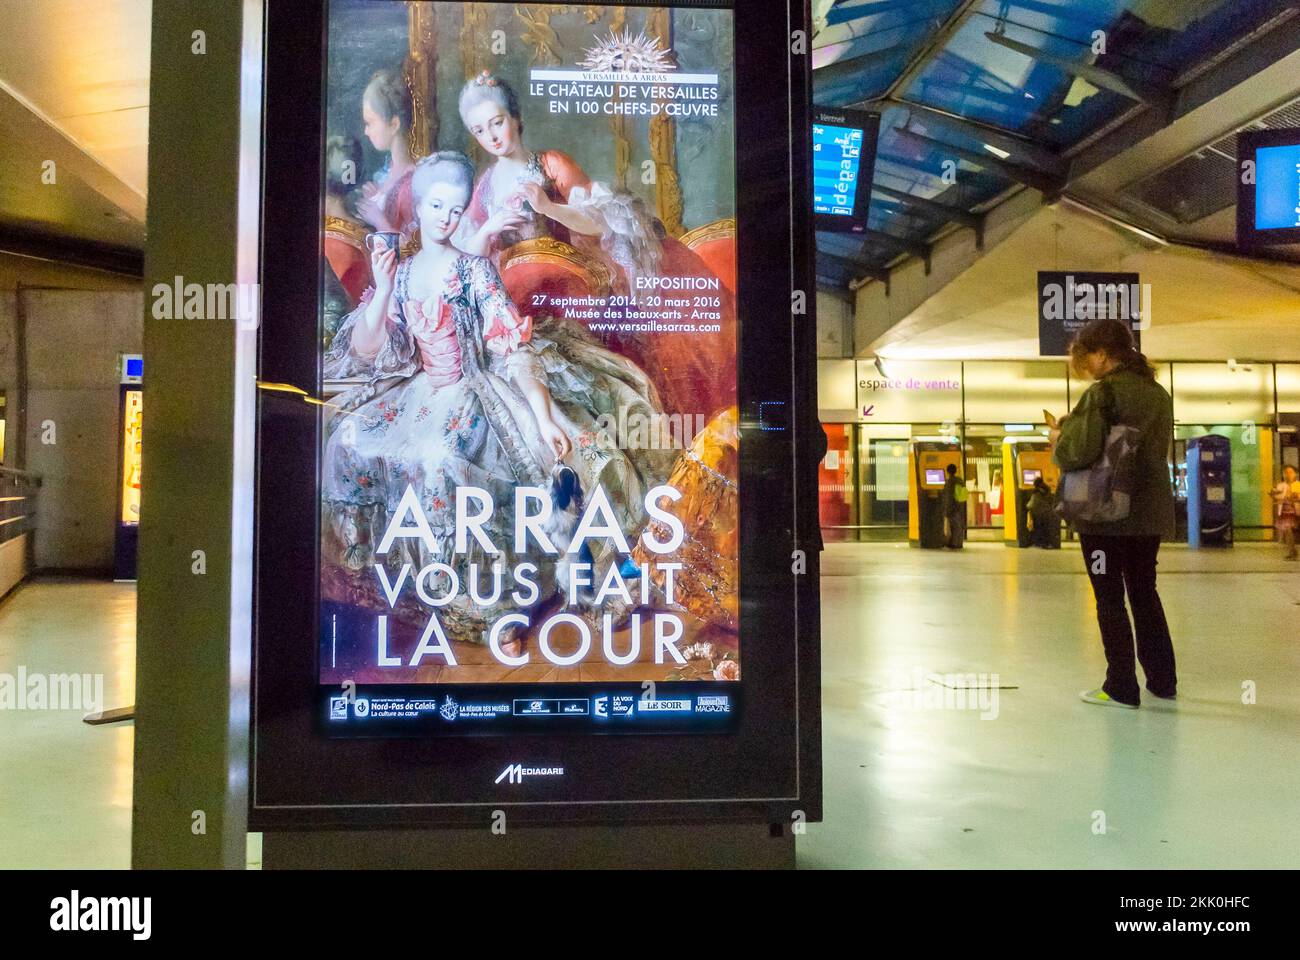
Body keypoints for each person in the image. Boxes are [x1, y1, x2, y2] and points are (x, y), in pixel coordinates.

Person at [320, 152, 674, 657]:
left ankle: (491, 610)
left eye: (455, 208)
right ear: (419, 207)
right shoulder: (401, 272)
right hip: (420, 392)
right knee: (348, 439)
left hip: (479, 386)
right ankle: (399, 589)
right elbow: (370, 348)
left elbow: (512, 348)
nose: (445, 217)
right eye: (436, 206)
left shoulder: (473, 272)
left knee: (447, 462)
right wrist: (379, 289)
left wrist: (544, 411)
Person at [453, 71, 736, 422]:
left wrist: (548, 208)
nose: (491, 136)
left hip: (574, 292)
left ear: (516, 118)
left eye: (497, 123)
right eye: (479, 131)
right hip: (521, 303)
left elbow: (598, 222)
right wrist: (490, 228)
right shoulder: (485, 186)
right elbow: (468, 250)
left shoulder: (550, 164)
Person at [1053, 318, 1175, 709]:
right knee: (1144, 592)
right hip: (1147, 513)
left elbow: (1078, 452)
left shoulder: (1102, 394)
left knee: (1108, 596)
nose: (1086, 366)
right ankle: (1162, 680)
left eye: (1087, 357)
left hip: (1104, 516)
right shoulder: (1158, 394)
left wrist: (1059, 438)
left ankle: (1121, 684)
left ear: (1102, 354)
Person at [1271, 465, 1300, 561]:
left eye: (1290, 472)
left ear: (1295, 474)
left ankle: (1293, 552)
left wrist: (1295, 497)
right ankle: (1292, 551)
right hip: (1285, 513)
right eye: (1286, 473)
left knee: (1288, 531)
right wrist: (1275, 495)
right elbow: (1276, 497)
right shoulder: (1280, 485)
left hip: (1296, 512)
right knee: (1287, 530)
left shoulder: (1298, 485)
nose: (1288, 475)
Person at [1026, 476, 1060, 549]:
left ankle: (1039, 543)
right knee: (1045, 529)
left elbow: (1031, 504)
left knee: (1038, 528)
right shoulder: (1048, 489)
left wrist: (1027, 507)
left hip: (1038, 513)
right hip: (1048, 512)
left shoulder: (1036, 492)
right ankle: (1047, 543)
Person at [941, 463, 967, 549]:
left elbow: (948, 497)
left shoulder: (949, 482)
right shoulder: (960, 480)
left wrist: (946, 509)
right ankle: (958, 542)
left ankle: (955, 543)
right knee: (958, 525)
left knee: (954, 526)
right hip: (960, 505)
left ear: (948, 471)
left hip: (952, 507)